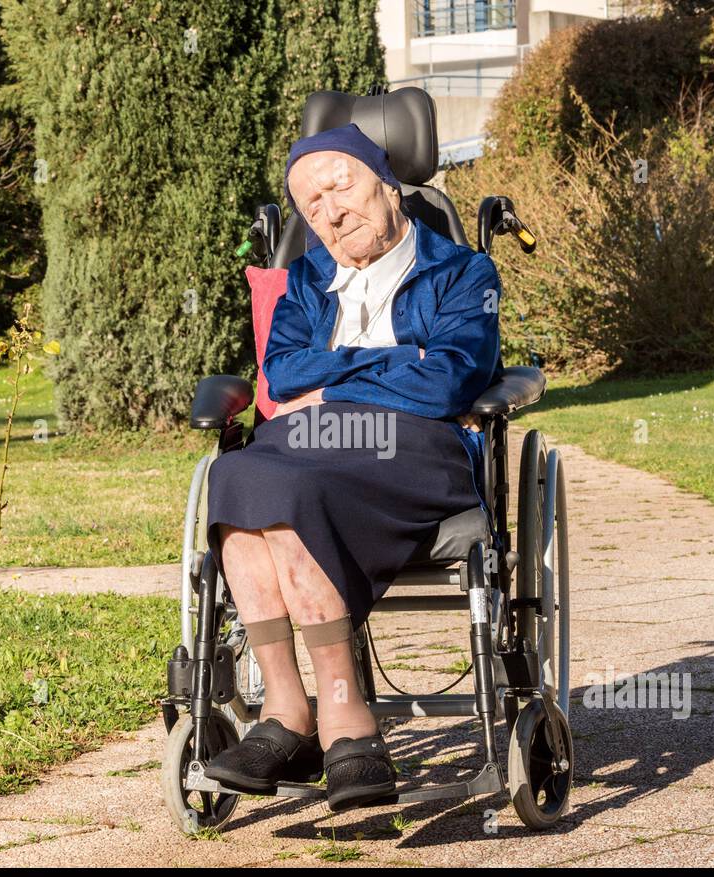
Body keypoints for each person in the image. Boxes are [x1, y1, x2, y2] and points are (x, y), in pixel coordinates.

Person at [202, 123, 503, 811]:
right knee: (234, 478)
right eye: (311, 206)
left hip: (414, 448)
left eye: (338, 185)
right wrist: (400, 362)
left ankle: (344, 714)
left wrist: (335, 385)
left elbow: (450, 382)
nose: (330, 211)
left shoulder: (464, 272)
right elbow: (281, 375)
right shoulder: (306, 281)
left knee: (283, 483)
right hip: (305, 442)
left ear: (385, 183)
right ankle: (286, 708)